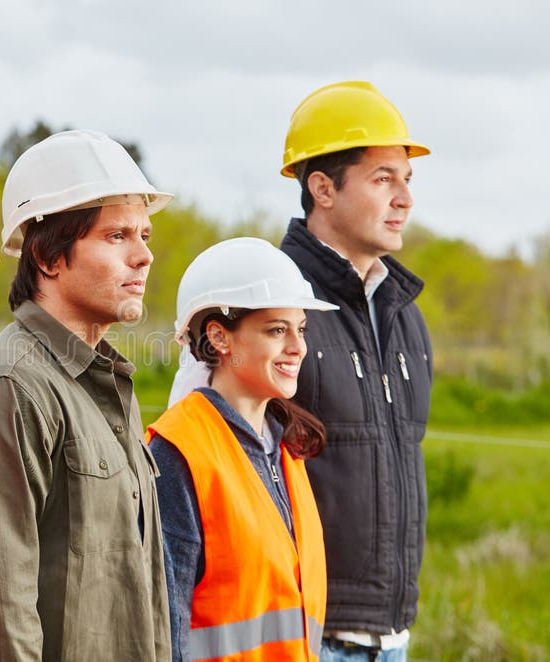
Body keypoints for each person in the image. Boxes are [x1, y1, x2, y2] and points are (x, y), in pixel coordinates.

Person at [0, 129, 174, 661]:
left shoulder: (103, 388)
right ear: (49, 257)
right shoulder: (5, 393)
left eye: (144, 235)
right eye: (117, 236)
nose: (144, 256)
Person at [280, 81, 433, 661]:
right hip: (306, 634)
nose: (404, 199)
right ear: (322, 187)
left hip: (392, 639)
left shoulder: (406, 316)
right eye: (382, 178)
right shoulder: (271, 302)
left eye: (407, 179)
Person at [150, 237, 337, 661]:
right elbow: (166, 631)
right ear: (220, 337)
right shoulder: (178, 452)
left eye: (301, 329)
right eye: (277, 330)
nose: (298, 347)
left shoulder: (282, 448)